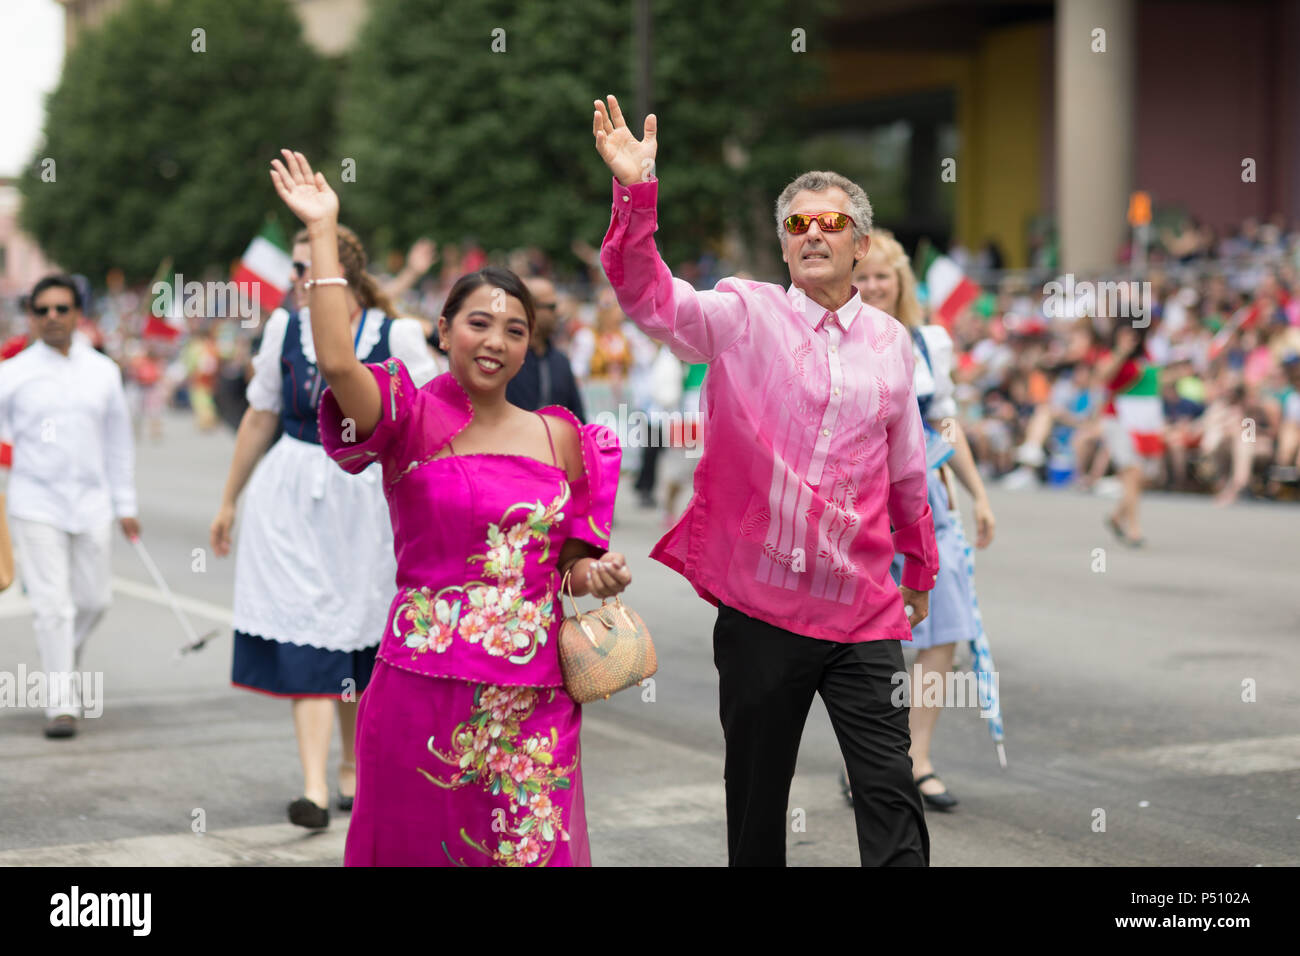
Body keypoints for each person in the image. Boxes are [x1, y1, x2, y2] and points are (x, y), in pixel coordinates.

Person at [592, 95, 938, 866]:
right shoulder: (742, 313)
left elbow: (906, 465)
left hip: (864, 610)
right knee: (757, 796)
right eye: (797, 225)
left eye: (831, 223)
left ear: (860, 244)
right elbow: (651, 300)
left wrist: (920, 562)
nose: (813, 234)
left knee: (888, 786)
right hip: (762, 607)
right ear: (785, 247)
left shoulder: (891, 341)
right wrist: (635, 193)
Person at [268, 149, 629, 867]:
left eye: (515, 330)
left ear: (530, 346)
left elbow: (571, 570)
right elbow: (339, 363)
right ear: (443, 329)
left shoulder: (566, 439)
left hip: (534, 700)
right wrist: (322, 230)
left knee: (527, 855)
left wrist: (601, 575)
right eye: (479, 323)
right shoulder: (406, 414)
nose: (496, 340)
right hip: (418, 693)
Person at [209, 223, 439, 830]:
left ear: (344, 274)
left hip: (365, 497)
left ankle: (351, 765)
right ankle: (313, 786)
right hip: (289, 491)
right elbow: (260, 416)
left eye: (306, 270)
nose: (295, 282)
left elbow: (429, 421)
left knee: (359, 631)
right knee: (308, 628)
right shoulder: (285, 327)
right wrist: (228, 500)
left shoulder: (399, 335)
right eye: (296, 270)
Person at [850, 231, 996, 812]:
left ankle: (918, 759)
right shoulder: (836, 340)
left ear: (901, 281)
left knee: (944, 633)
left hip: (927, 504)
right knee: (865, 644)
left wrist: (979, 493)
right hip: (860, 508)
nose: (873, 286)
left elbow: (945, 425)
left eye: (883, 275)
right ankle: (865, 762)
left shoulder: (927, 342)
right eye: (862, 276)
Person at [0, 275, 140, 738]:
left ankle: (60, 660)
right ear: (31, 316)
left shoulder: (102, 370)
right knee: (52, 606)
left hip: (93, 502)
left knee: (94, 600)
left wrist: (126, 502)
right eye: (43, 310)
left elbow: (119, 441)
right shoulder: (12, 373)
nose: (53, 317)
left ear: (78, 312)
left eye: (62, 308)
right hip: (34, 501)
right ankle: (61, 703)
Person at [505, 276, 587, 421]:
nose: (558, 313)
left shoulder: (561, 362)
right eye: (552, 307)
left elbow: (578, 421)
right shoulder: (508, 360)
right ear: (531, 309)